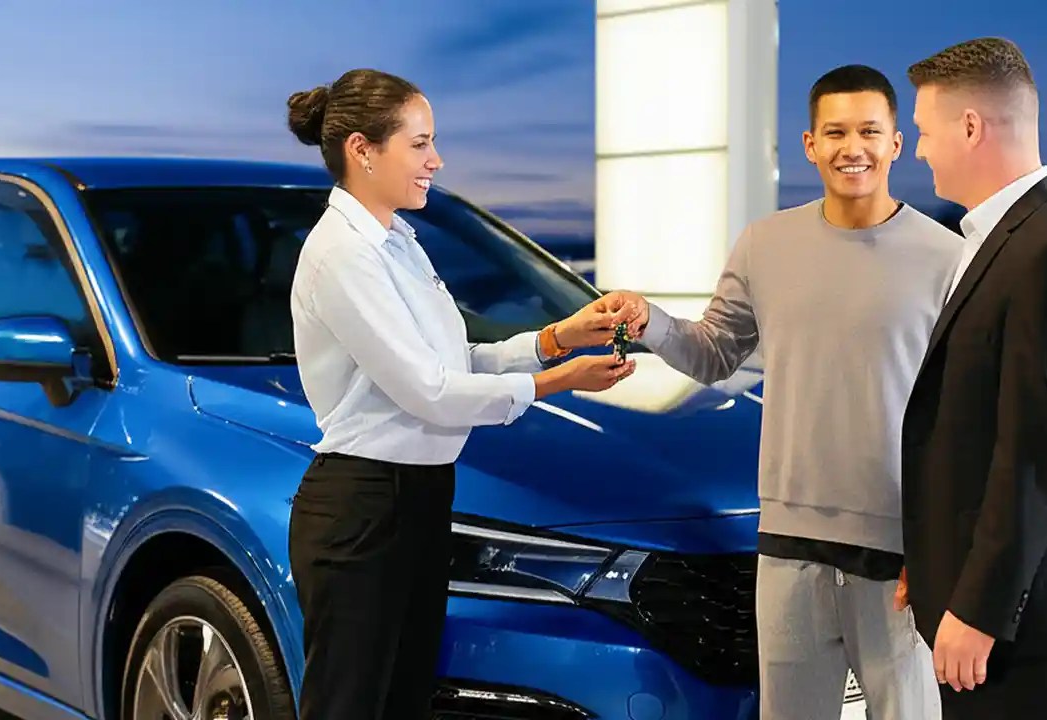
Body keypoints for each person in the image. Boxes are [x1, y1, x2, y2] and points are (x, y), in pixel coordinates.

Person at [600, 65, 959, 720]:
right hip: (788, 539)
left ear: (897, 143)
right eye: (837, 132)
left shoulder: (948, 259)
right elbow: (714, 354)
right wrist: (651, 320)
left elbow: (962, 414)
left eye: (870, 131)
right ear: (809, 144)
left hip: (900, 549)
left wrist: (944, 545)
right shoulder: (765, 245)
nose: (854, 147)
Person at [284, 68, 636, 720]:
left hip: (416, 499)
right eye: (419, 144)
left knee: (404, 702)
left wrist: (560, 337)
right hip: (362, 508)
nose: (436, 160)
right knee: (349, 706)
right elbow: (429, 392)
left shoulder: (399, 243)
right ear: (363, 150)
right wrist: (558, 381)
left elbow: (456, 361)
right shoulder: (342, 255)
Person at [899, 37, 1047, 719]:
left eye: (923, 130)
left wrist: (979, 607)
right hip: (1002, 609)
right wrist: (937, 558)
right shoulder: (1012, 240)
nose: (919, 150)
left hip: (1023, 624)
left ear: (970, 127)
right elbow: (978, 428)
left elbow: (1037, 455)